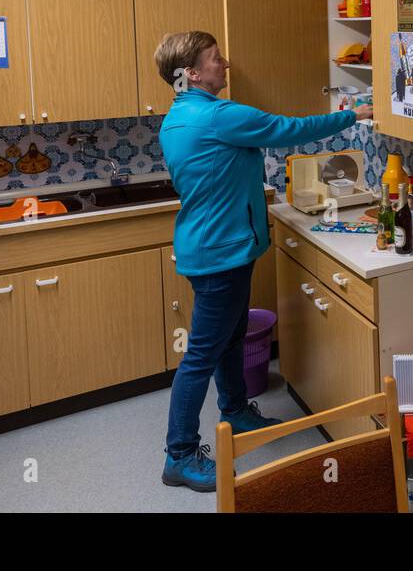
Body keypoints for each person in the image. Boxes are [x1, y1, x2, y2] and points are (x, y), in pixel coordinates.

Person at [154, 31, 372, 491]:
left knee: (230, 337)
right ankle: (179, 454)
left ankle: (233, 409)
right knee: (201, 354)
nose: (226, 64)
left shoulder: (175, 118)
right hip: (220, 253)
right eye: (216, 59)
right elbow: (287, 130)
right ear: (191, 73)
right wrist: (352, 115)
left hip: (212, 248)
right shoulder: (217, 116)